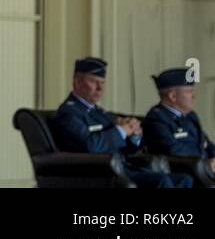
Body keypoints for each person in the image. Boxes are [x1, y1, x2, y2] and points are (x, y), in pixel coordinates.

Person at [51, 57, 192, 188]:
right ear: (77, 81)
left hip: (122, 168)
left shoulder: (100, 113)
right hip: (99, 173)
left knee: (184, 180)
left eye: (102, 83)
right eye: (94, 82)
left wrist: (134, 134)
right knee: (162, 181)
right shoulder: (69, 113)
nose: (100, 88)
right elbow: (90, 146)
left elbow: (127, 146)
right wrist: (122, 130)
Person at [142, 67, 215, 188]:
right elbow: (173, 150)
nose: (193, 96)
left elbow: (206, 143)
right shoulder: (157, 119)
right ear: (173, 96)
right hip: (189, 172)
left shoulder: (190, 116)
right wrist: (205, 162)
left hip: (208, 169)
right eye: (189, 92)